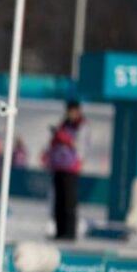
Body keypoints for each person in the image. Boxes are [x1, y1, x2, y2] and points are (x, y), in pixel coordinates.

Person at [44, 100, 85, 240]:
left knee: (69, 202)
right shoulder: (63, 124)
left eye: (72, 111)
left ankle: (70, 232)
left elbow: (78, 144)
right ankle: (59, 231)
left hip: (71, 168)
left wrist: (63, 137)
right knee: (58, 202)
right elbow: (55, 143)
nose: (70, 113)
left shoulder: (81, 126)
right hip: (58, 166)